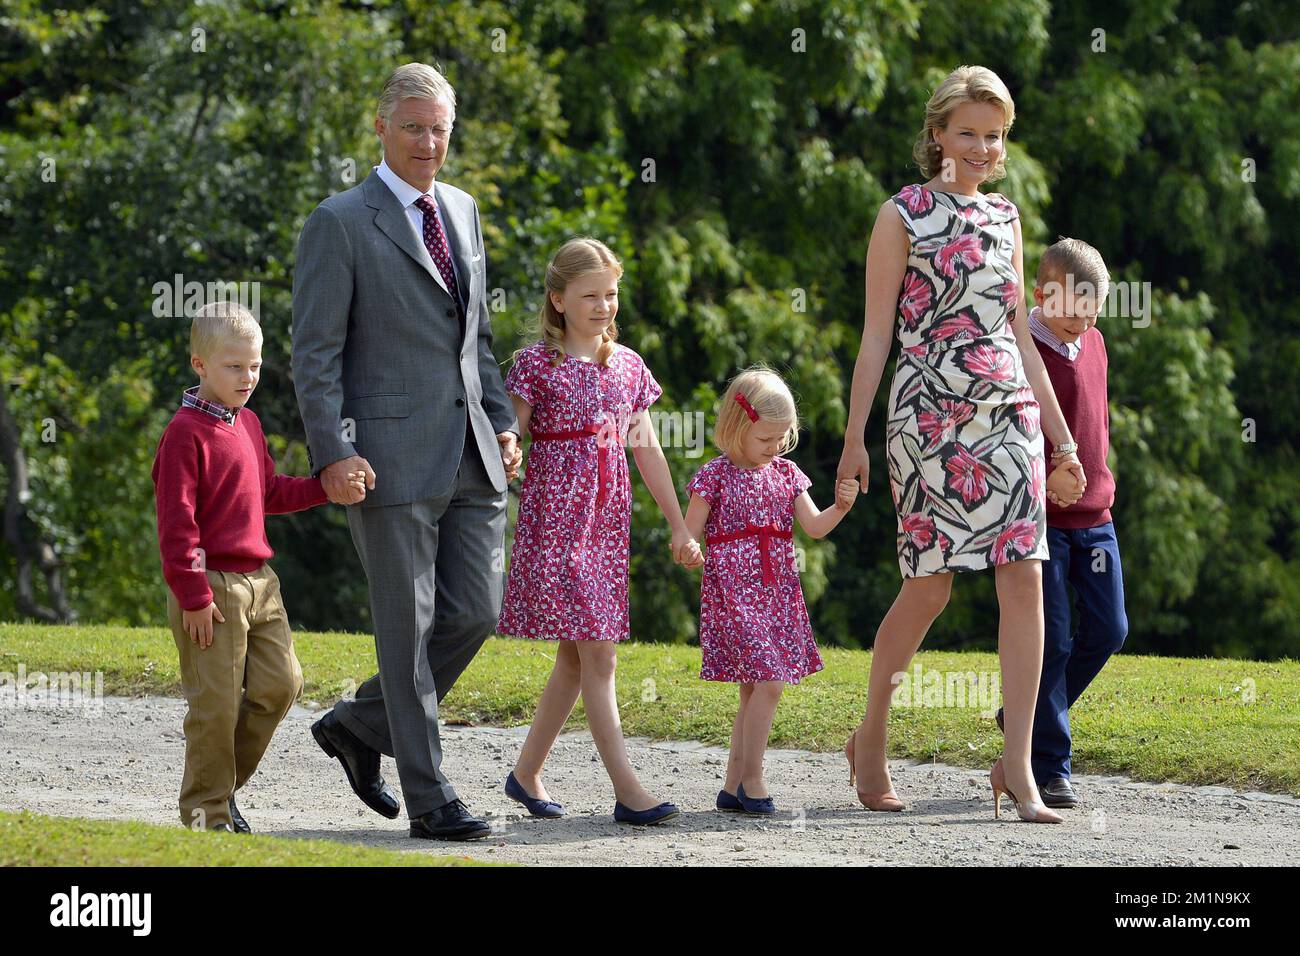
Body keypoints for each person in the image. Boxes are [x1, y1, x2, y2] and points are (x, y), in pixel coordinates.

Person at [836, 65, 1086, 823]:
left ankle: (1017, 766)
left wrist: (1063, 439)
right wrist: (852, 440)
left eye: (996, 135)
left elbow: (1019, 334)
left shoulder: (1006, 219)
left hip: (1007, 415)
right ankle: (870, 741)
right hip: (926, 418)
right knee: (931, 586)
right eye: (970, 132)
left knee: (1025, 579)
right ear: (938, 132)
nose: (983, 147)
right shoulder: (901, 215)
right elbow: (877, 336)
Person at [291, 62, 522, 841]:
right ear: (382, 128)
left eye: (440, 129)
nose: (429, 142)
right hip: (382, 460)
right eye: (415, 127)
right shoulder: (340, 221)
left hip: (470, 452)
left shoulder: (462, 209)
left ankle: (358, 724)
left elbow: (476, 339)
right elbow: (314, 356)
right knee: (407, 627)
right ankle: (431, 800)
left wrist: (502, 421)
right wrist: (332, 454)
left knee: (475, 612)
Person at [497, 237, 687, 826]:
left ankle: (525, 774)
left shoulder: (627, 365)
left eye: (611, 294)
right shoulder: (535, 365)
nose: (604, 306)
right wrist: (506, 447)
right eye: (589, 296)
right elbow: (512, 432)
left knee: (576, 658)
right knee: (598, 653)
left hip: (607, 524)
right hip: (555, 522)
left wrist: (679, 523)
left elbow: (646, 448)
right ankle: (628, 790)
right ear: (558, 299)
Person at [152, 301, 358, 833]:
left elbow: (268, 492)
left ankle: (216, 791)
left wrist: (323, 488)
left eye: (255, 367)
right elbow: (178, 527)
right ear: (200, 364)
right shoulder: (184, 433)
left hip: (262, 584)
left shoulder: (247, 423)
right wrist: (193, 595)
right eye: (233, 366)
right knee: (215, 709)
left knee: (281, 685)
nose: (248, 378)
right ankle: (206, 817)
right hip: (211, 591)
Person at [678, 366, 859, 815]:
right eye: (765, 440)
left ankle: (733, 783)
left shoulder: (787, 474)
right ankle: (754, 778)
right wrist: (688, 549)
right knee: (772, 681)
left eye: (781, 439)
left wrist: (840, 506)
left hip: (776, 594)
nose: (774, 448)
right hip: (732, 594)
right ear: (736, 428)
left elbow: (814, 527)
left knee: (754, 689)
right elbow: (688, 534)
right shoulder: (714, 476)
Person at [991, 238, 1127, 808]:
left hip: (1095, 515)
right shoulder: (1022, 353)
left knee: (1110, 628)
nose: (1083, 321)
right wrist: (1047, 483)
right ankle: (1050, 765)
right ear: (1042, 295)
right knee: (1049, 641)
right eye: (1073, 309)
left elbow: (1097, 424)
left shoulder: (1092, 343)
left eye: (1092, 310)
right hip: (1039, 519)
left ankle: (1019, 713)